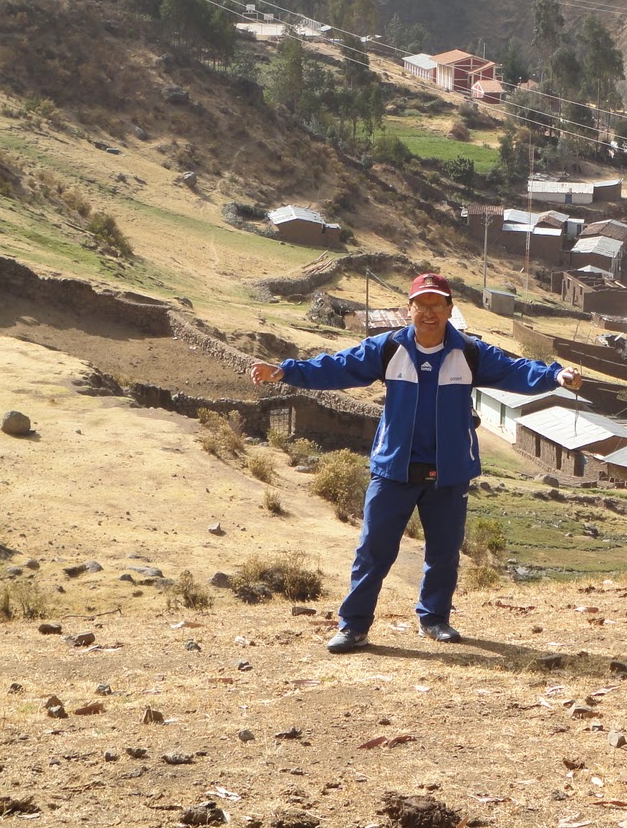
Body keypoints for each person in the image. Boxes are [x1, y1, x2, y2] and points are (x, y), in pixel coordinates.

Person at [249, 272, 581, 651]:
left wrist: (555, 374)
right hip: (394, 469)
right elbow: (338, 366)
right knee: (373, 551)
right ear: (408, 309)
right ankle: (354, 626)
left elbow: (515, 369)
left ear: (449, 309)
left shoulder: (470, 352)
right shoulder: (388, 349)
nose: (428, 312)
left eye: (436, 304)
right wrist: (286, 371)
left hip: (449, 471)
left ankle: (435, 619)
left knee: (443, 553)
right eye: (421, 304)